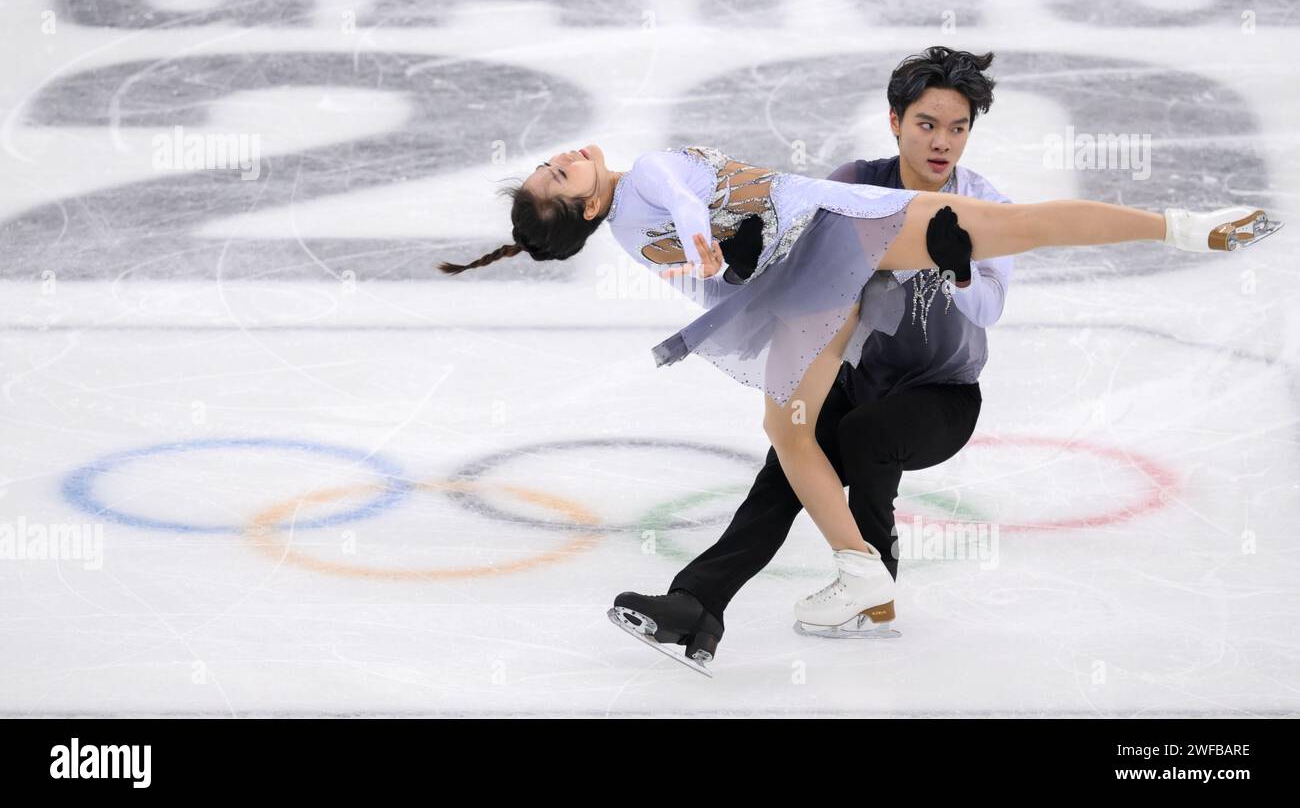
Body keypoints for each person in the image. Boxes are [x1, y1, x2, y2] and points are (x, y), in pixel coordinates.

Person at [437, 52, 1281, 670]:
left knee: (795, 426)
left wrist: (733, 263)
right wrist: (725, 258)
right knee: (795, 427)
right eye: (558, 172)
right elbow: (697, 236)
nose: (565, 154)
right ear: (585, 204)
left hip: (847, 298)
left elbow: (703, 239)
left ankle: (852, 571)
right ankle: (1179, 226)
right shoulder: (641, 203)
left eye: (552, 161)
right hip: (838, 236)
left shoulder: (632, 215)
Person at [607, 47, 1012, 666]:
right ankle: (695, 606)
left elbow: (989, 309)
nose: (943, 144)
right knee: (787, 466)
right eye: (928, 124)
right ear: (895, 121)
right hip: (861, 378)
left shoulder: (982, 202)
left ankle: (874, 593)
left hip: (942, 395)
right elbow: (797, 253)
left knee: (864, 434)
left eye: (958, 129)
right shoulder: (854, 182)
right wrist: (747, 257)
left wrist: (958, 271)